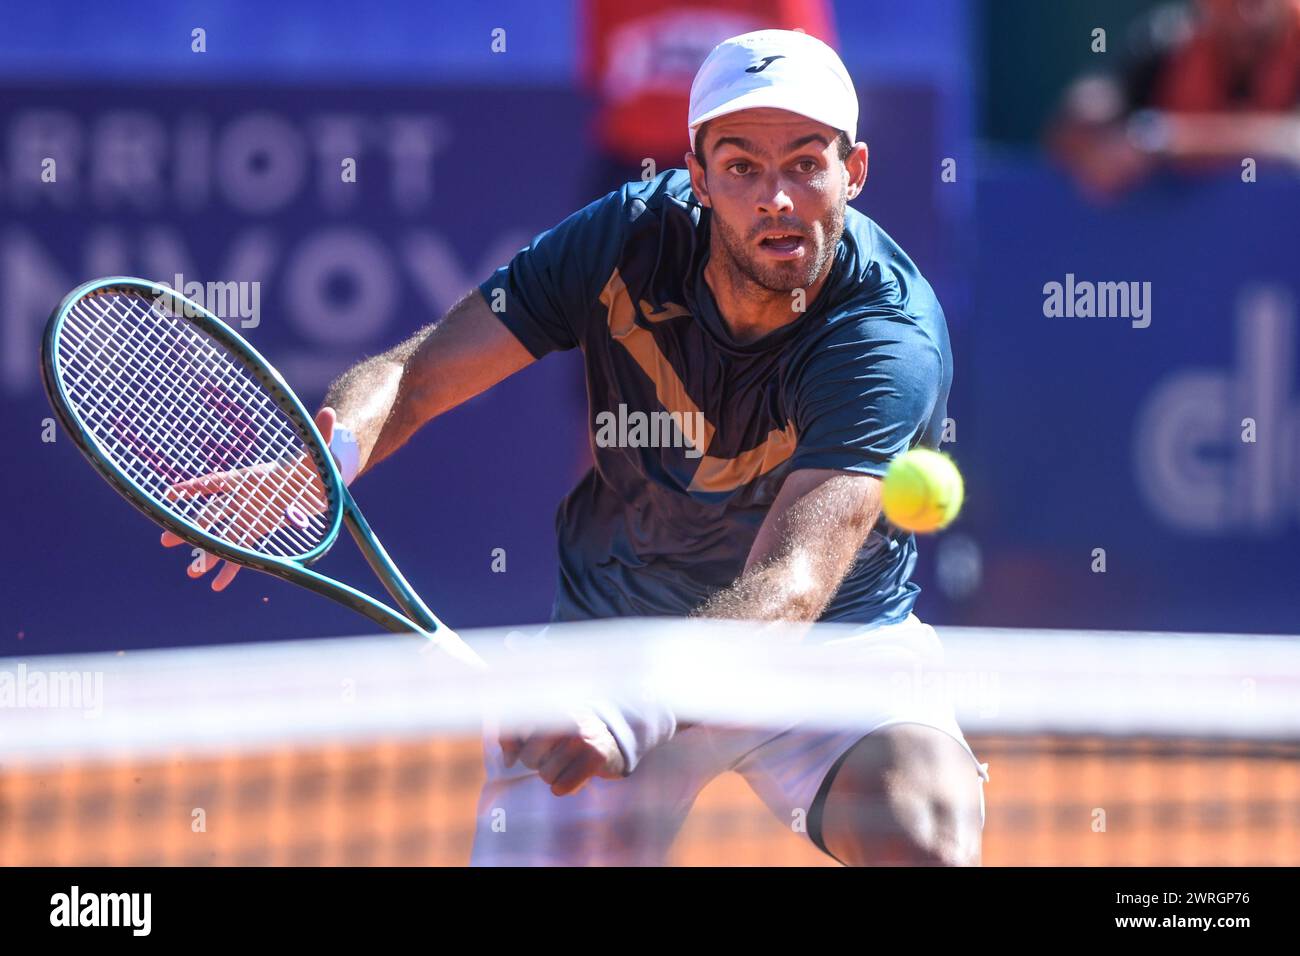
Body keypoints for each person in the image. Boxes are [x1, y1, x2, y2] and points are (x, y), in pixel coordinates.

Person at [166, 29, 988, 866]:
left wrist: (634, 705)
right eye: (741, 166)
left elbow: (793, 584)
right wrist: (324, 462)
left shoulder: (888, 338)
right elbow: (418, 375)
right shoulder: (621, 241)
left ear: (852, 171)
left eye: (805, 163)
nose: (775, 196)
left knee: (929, 837)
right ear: (698, 177)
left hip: (829, 649)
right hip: (617, 633)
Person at [1049, 0, 1300, 198]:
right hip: (1201, 247)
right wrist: (1094, 138)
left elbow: (1293, 141)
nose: (1246, 9)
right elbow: (1081, 118)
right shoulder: (1168, 40)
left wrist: (1165, 140)